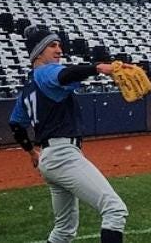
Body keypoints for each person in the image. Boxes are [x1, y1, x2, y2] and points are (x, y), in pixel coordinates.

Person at [9, 25, 129, 243]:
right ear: (38, 52)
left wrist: (32, 152)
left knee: (63, 230)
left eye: (59, 45)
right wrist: (98, 67)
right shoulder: (46, 72)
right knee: (114, 210)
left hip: (49, 158)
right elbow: (66, 74)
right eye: (52, 46)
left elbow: (16, 124)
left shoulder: (28, 87)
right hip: (63, 155)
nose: (59, 50)